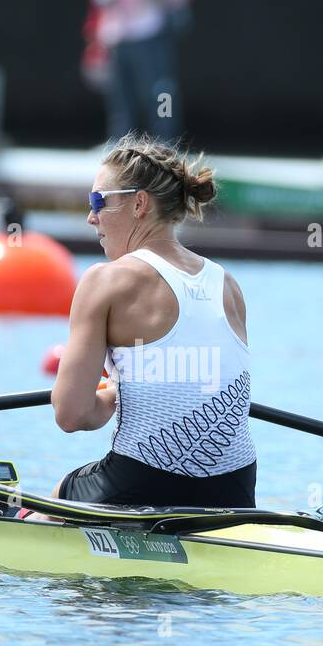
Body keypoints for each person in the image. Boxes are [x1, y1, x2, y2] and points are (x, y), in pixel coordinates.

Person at [52, 134, 256, 508]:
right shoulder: (228, 285)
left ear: (139, 203)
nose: (90, 216)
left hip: (143, 481)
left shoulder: (105, 280)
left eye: (99, 201)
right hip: (234, 489)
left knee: (62, 490)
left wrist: (110, 400)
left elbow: (71, 415)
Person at [82, 0, 195, 141]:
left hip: (151, 31)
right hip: (118, 34)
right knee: (120, 100)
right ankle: (119, 148)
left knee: (160, 92)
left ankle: (166, 144)